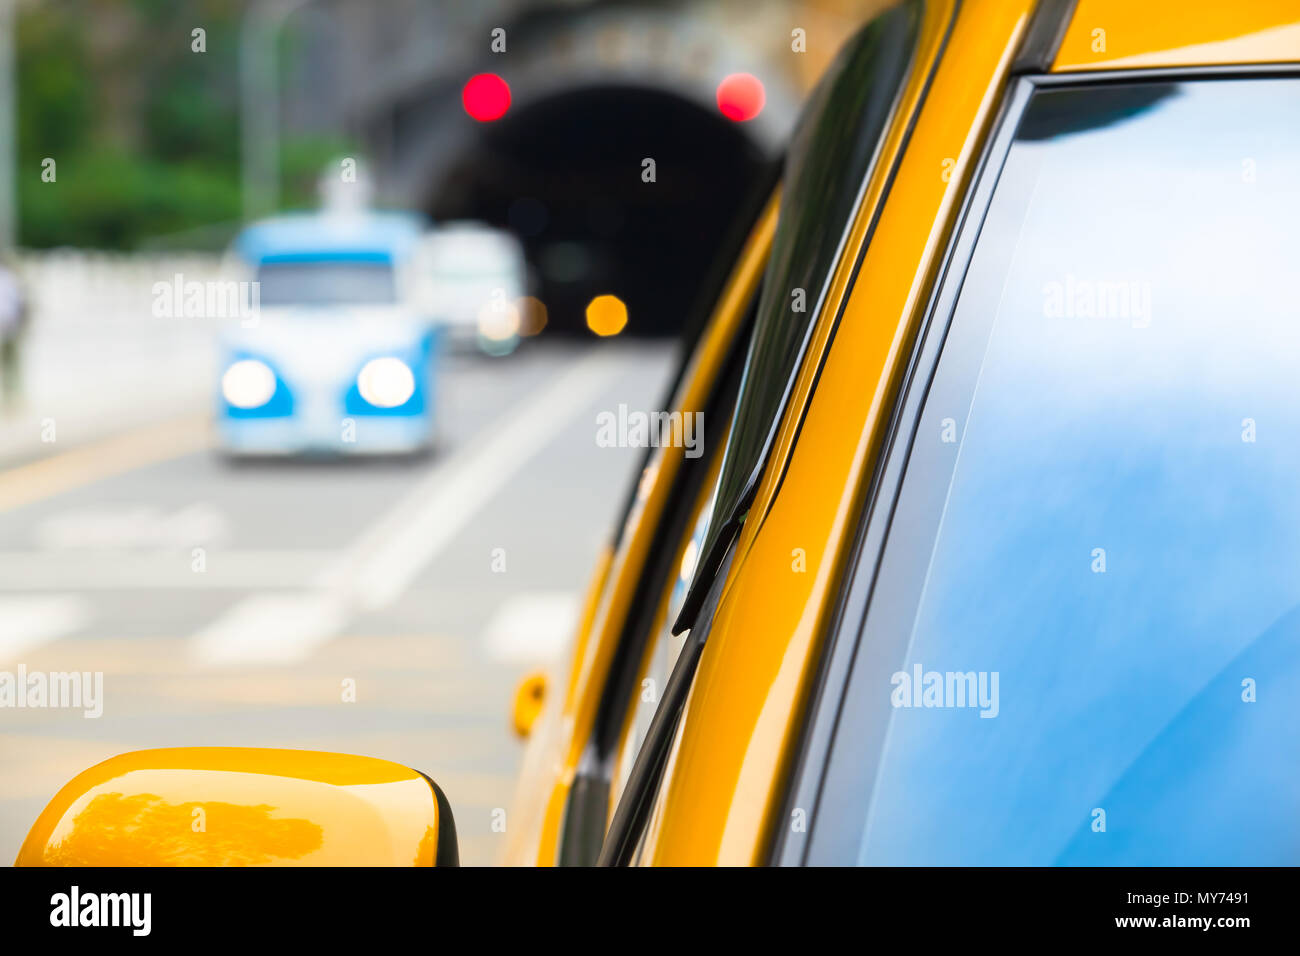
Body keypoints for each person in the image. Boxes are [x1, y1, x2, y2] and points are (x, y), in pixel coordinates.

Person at [0, 253, 27, 411]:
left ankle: (11, 397)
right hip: (11, 326)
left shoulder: (9, 278)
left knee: (10, 364)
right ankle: (12, 397)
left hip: (8, 326)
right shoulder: (11, 278)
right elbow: (20, 303)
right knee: (12, 365)